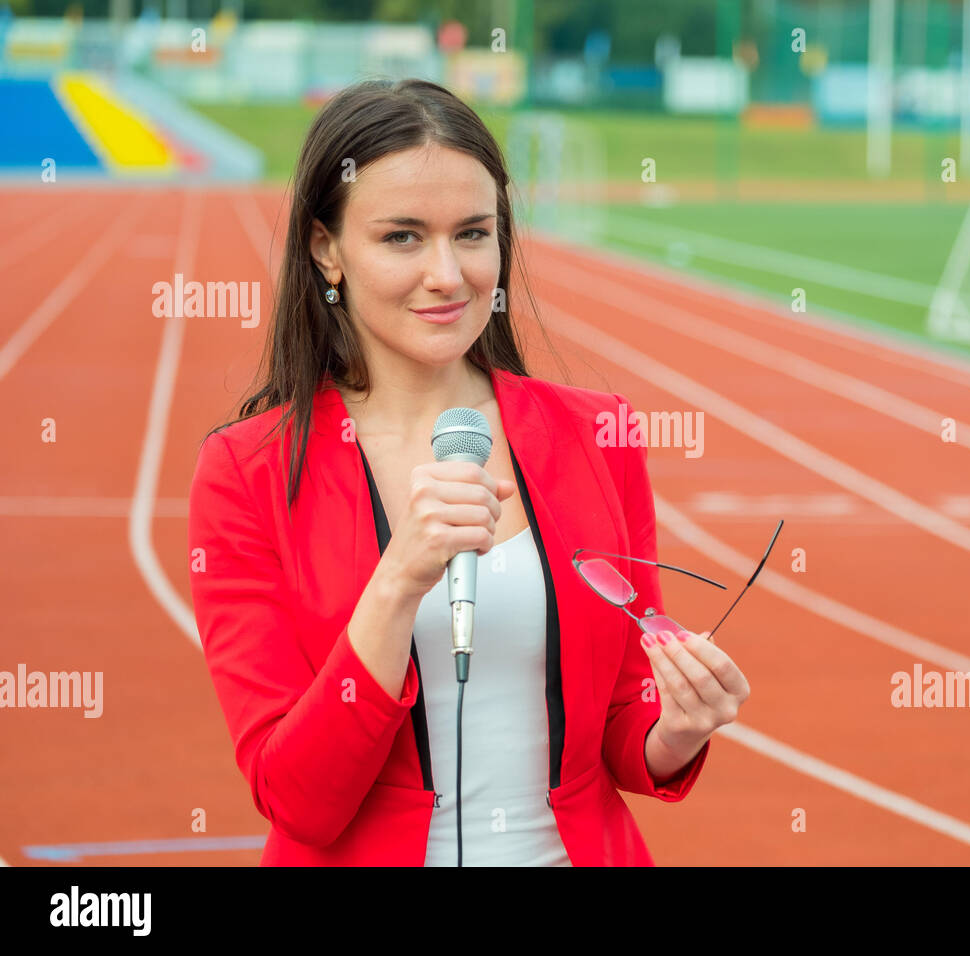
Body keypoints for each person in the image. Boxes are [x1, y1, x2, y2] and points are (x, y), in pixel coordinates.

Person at [186, 78, 751, 866]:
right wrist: (398, 579)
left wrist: (678, 725)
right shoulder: (249, 473)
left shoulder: (598, 433)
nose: (449, 275)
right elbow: (298, 802)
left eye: (473, 234)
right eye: (403, 237)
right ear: (327, 250)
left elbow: (624, 722)